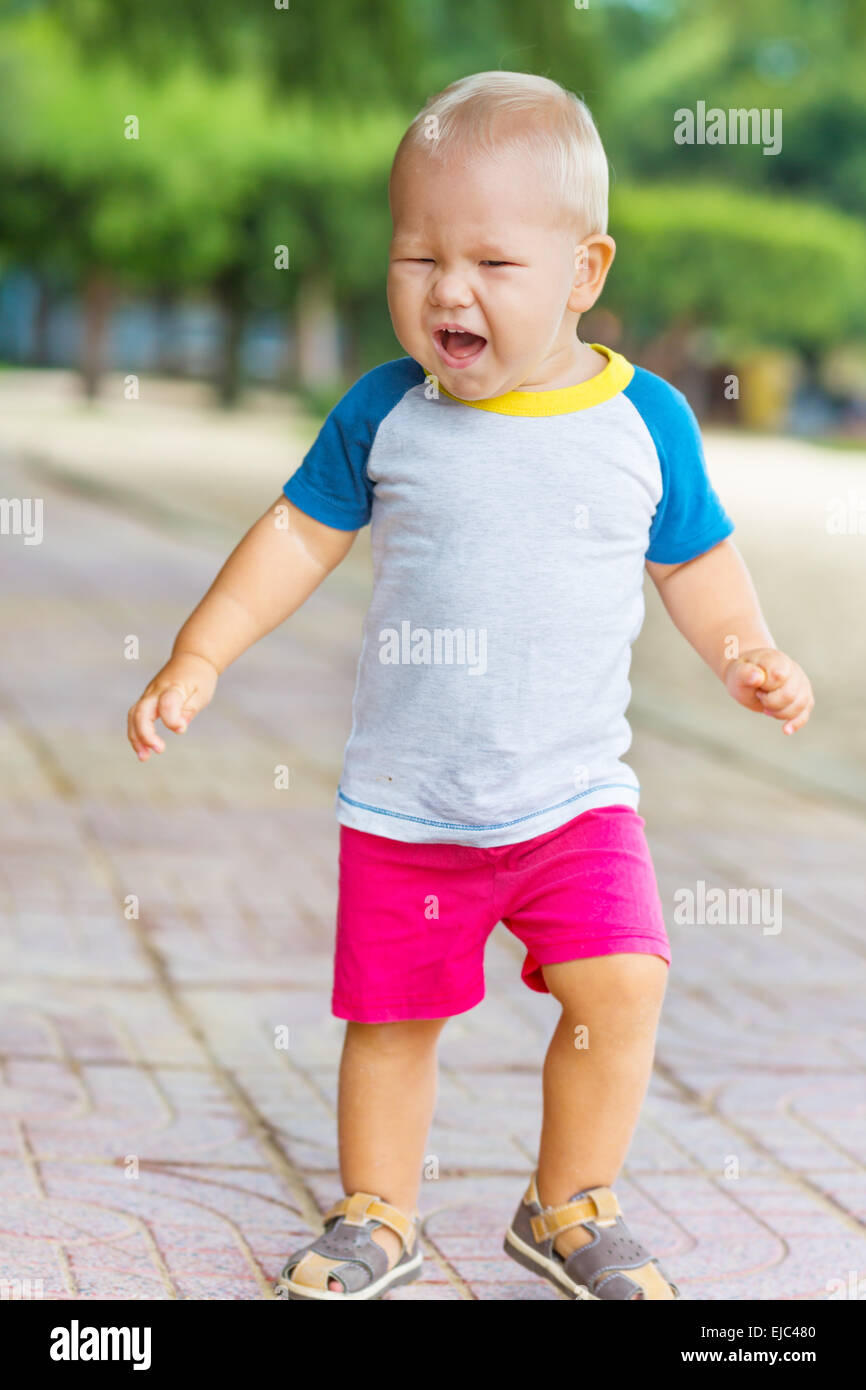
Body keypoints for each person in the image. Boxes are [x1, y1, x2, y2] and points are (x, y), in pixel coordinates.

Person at [127, 71, 814, 1301]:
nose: (447, 289)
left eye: (492, 263)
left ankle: (566, 1202)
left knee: (626, 982)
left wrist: (744, 652)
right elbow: (293, 537)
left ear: (583, 270)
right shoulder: (388, 410)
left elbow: (696, 561)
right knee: (392, 1023)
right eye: (417, 257)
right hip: (411, 803)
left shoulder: (643, 419)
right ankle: (375, 1210)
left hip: (572, 800)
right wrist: (200, 651)